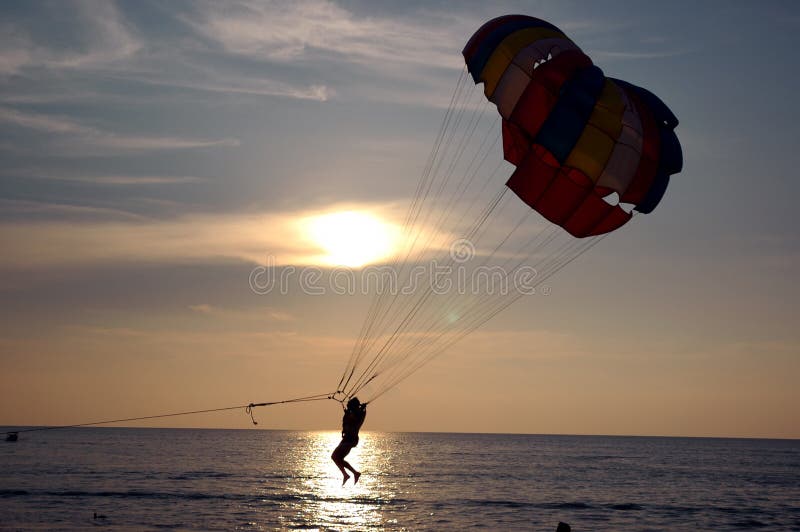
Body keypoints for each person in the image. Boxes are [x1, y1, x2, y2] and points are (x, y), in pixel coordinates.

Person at [331, 397, 367, 486]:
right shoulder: (351, 413)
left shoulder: (359, 414)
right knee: (336, 457)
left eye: (349, 406)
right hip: (346, 439)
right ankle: (350, 474)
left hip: (351, 439)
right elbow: (346, 422)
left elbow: (355, 419)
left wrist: (360, 409)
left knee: (336, 456)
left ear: (353, 407)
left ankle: (351, 474)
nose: (348, 408)